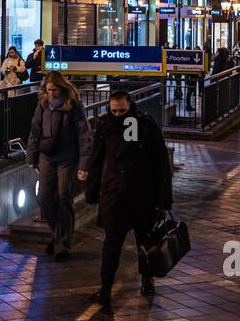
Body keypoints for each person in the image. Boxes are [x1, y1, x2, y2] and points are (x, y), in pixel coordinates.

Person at [81, 90, 172, 307]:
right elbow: (96, 160)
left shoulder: (146, 125)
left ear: (130, 105)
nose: (119, 114)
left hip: (142, 195)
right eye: (114, 111)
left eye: (122, 110)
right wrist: (92, 193)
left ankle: (147, 280)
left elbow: (160, 164)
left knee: (145, 243)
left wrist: (163, 200)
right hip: (117, 194)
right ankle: (105, 289)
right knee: (112, 245)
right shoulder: (105, 125)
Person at [26, 72, 92, 261]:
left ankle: (63, 244)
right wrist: (32, 156)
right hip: (48, 155)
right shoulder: (43, 104)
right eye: (48, 90)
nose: (52, 93)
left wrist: (83, 165)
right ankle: (56, 235)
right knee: (44, 198)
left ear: (62, 88)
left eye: (54, 90)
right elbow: (35, 130)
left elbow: (84, 135)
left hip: (68, 157)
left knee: (64, 197)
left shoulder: (73, 106)